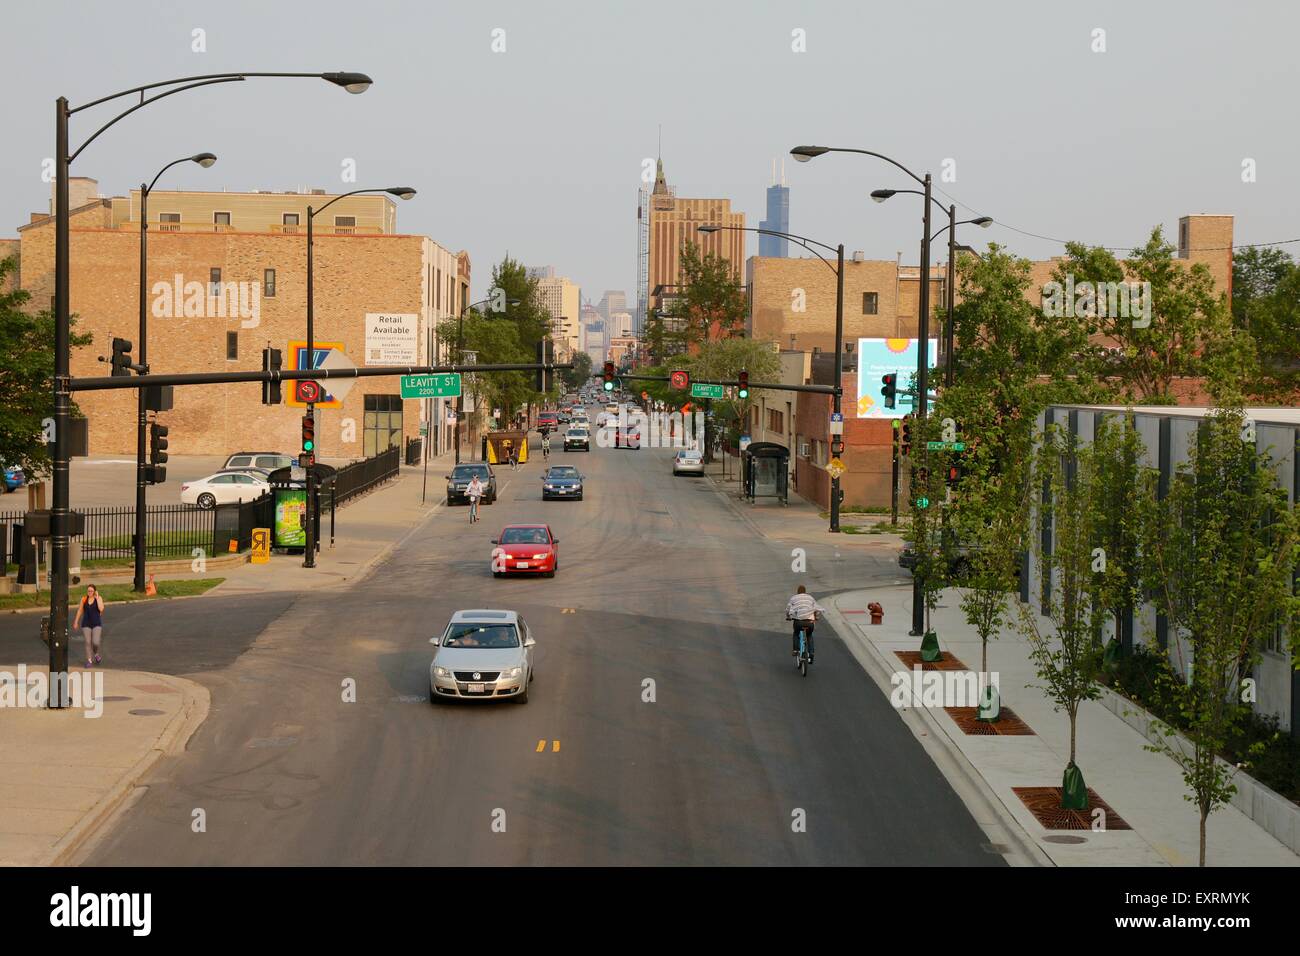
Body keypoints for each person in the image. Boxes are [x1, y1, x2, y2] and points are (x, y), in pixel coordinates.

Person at [785, 585, 826, 662]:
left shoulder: (794, 598)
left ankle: (796, 650)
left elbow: (788, 609)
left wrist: (788, 616)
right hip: (810, 622)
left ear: (798, 592)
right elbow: (816, 608)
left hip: (799, 622)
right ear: (805, 592)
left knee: (796, 633)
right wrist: (816, 617)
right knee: (809, 635)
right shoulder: (810, 597)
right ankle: (811, 653)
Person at [73, 583, 105, 668]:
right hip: (86, 623)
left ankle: (96, 653)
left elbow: (101, 609)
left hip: (96, 623)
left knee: (95, 642)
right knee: (87, 642)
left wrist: (97, 598)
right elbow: (80, 611)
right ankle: (89, 660)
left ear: (95, 591)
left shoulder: (99, 598)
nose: (89, 592)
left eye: (91, 591)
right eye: (88, 591)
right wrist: (76, 621)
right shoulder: (84, 599)